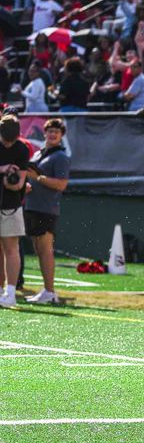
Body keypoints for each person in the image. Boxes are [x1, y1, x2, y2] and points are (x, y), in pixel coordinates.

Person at [23, 118, 69, 305]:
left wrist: (38, 178)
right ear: (45, 133)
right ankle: (46, 291)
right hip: (32, 206)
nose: (52, 134)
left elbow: (61, 184)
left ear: (61, 135)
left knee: (45, 250)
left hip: (46, 208)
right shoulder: (40, 153)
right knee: (38, 250)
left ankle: (50, 292)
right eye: (50, 131)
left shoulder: (60, 157)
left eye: (56, 132)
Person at [0, 115, 30, 308]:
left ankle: (10, 292)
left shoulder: (22, 149)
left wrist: (13, 183)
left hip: (11, 205)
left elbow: (20, 182)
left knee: (12, 249)